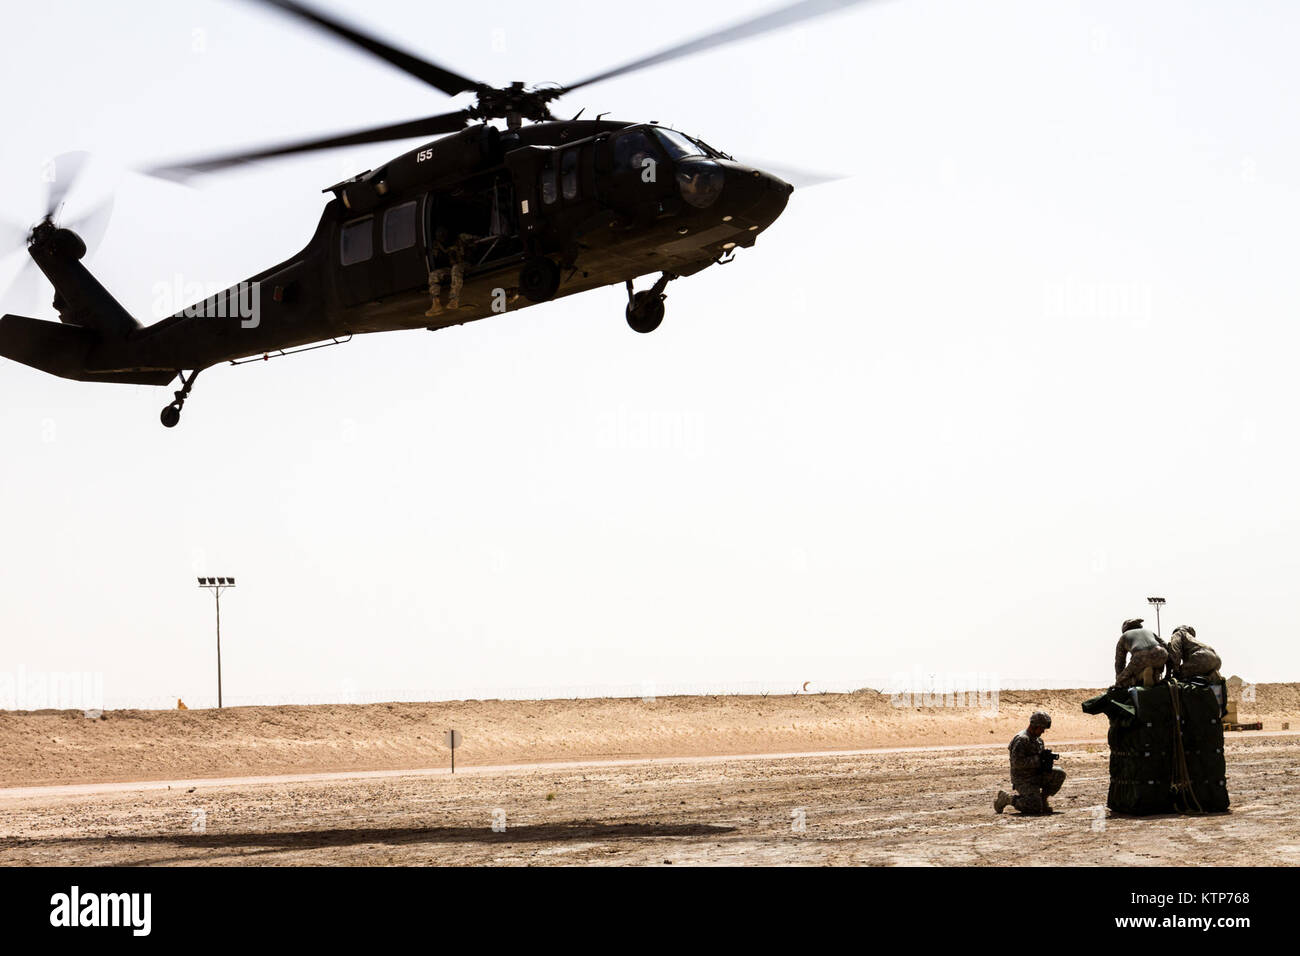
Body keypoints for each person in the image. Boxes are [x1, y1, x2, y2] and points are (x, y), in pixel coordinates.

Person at [995, 711, 1066, 815]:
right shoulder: (1021, 739)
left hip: (1036, 775)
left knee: (1059, 773)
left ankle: (1043, 799)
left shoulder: (1039, 740)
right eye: (1042, 728)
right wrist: (1038, 759)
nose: (1043, 731)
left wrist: (1046, 761)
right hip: (1023, 779)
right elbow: (1017, 763)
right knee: (1034, 808)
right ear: (1034, 726)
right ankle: (1007, 799)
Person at [426, 227, 476, 317]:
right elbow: (437, 258)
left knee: (456, 269)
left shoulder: (461, 237)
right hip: (452, 267)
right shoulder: (440, 246)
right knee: (434, 275)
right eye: (440, 237)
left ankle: (454, 299)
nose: (442, 238)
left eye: (443, 236)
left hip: (466, 264)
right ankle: (436, 303)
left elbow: (477, 240)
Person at [1114, 617, 1168, 688]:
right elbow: (1165, 645)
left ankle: (1141, 676)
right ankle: (1155, 673)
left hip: (1140, 657)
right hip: (1160, 653)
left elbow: (1119, 661)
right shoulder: (1149, 631)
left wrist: (1119, 679)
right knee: (1155, 663)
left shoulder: (1124, 637)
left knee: (1121, 681)